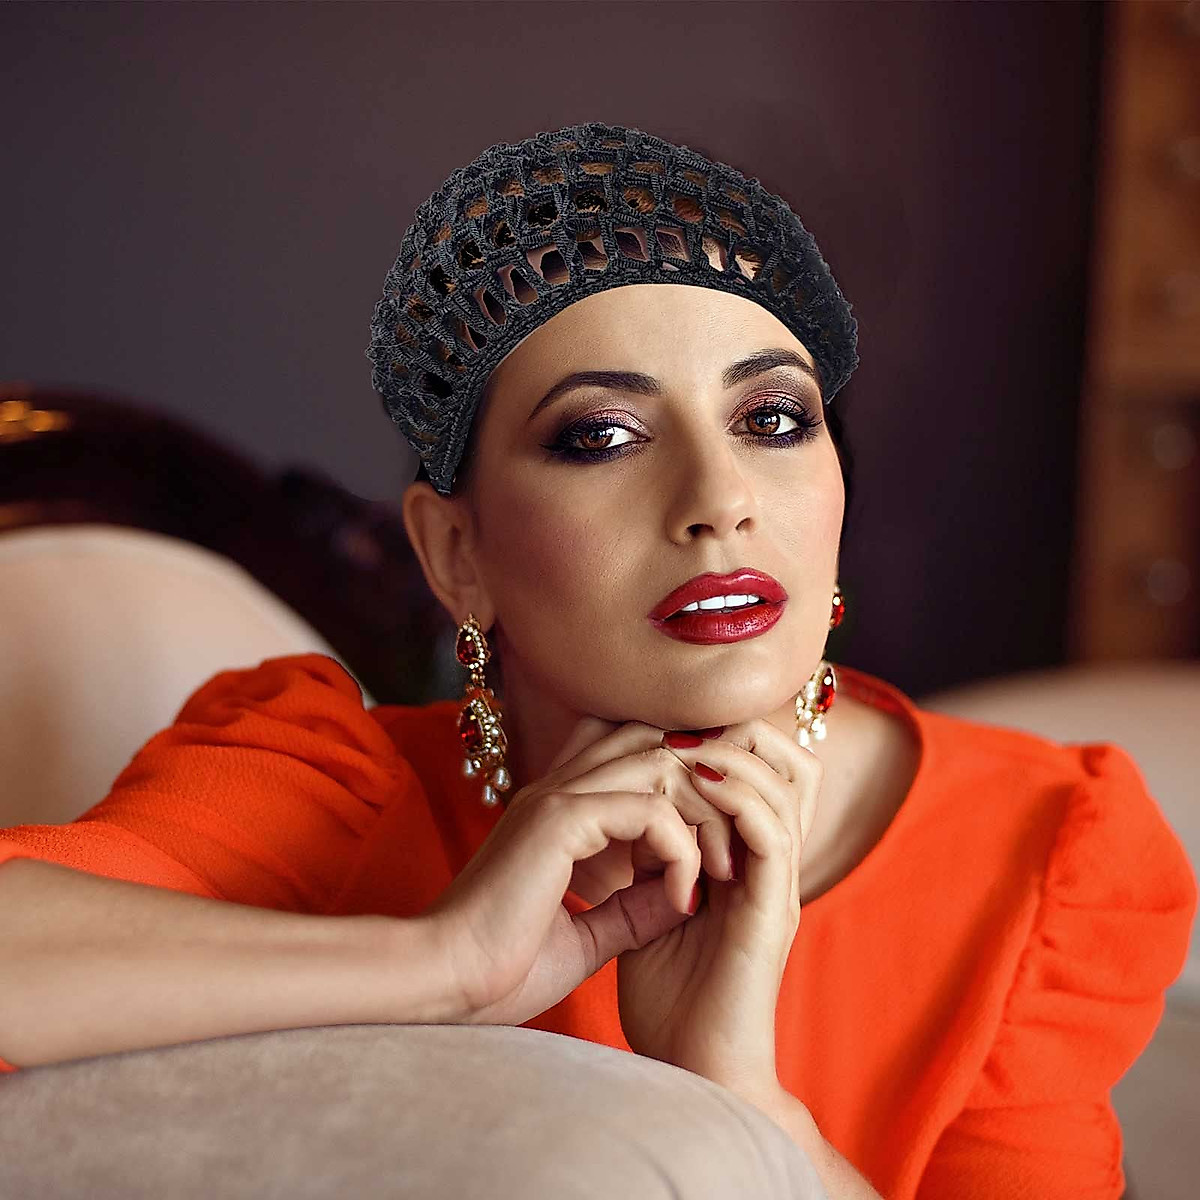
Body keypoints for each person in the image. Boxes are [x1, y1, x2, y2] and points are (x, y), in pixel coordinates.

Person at [0, 121, 1194, 1199]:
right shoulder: (320, 782)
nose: (719, 499)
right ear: (456, 553)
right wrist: (442, 962)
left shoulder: (1046, 849)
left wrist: (742, 1097)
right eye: (603, 436)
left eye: (774, 419)